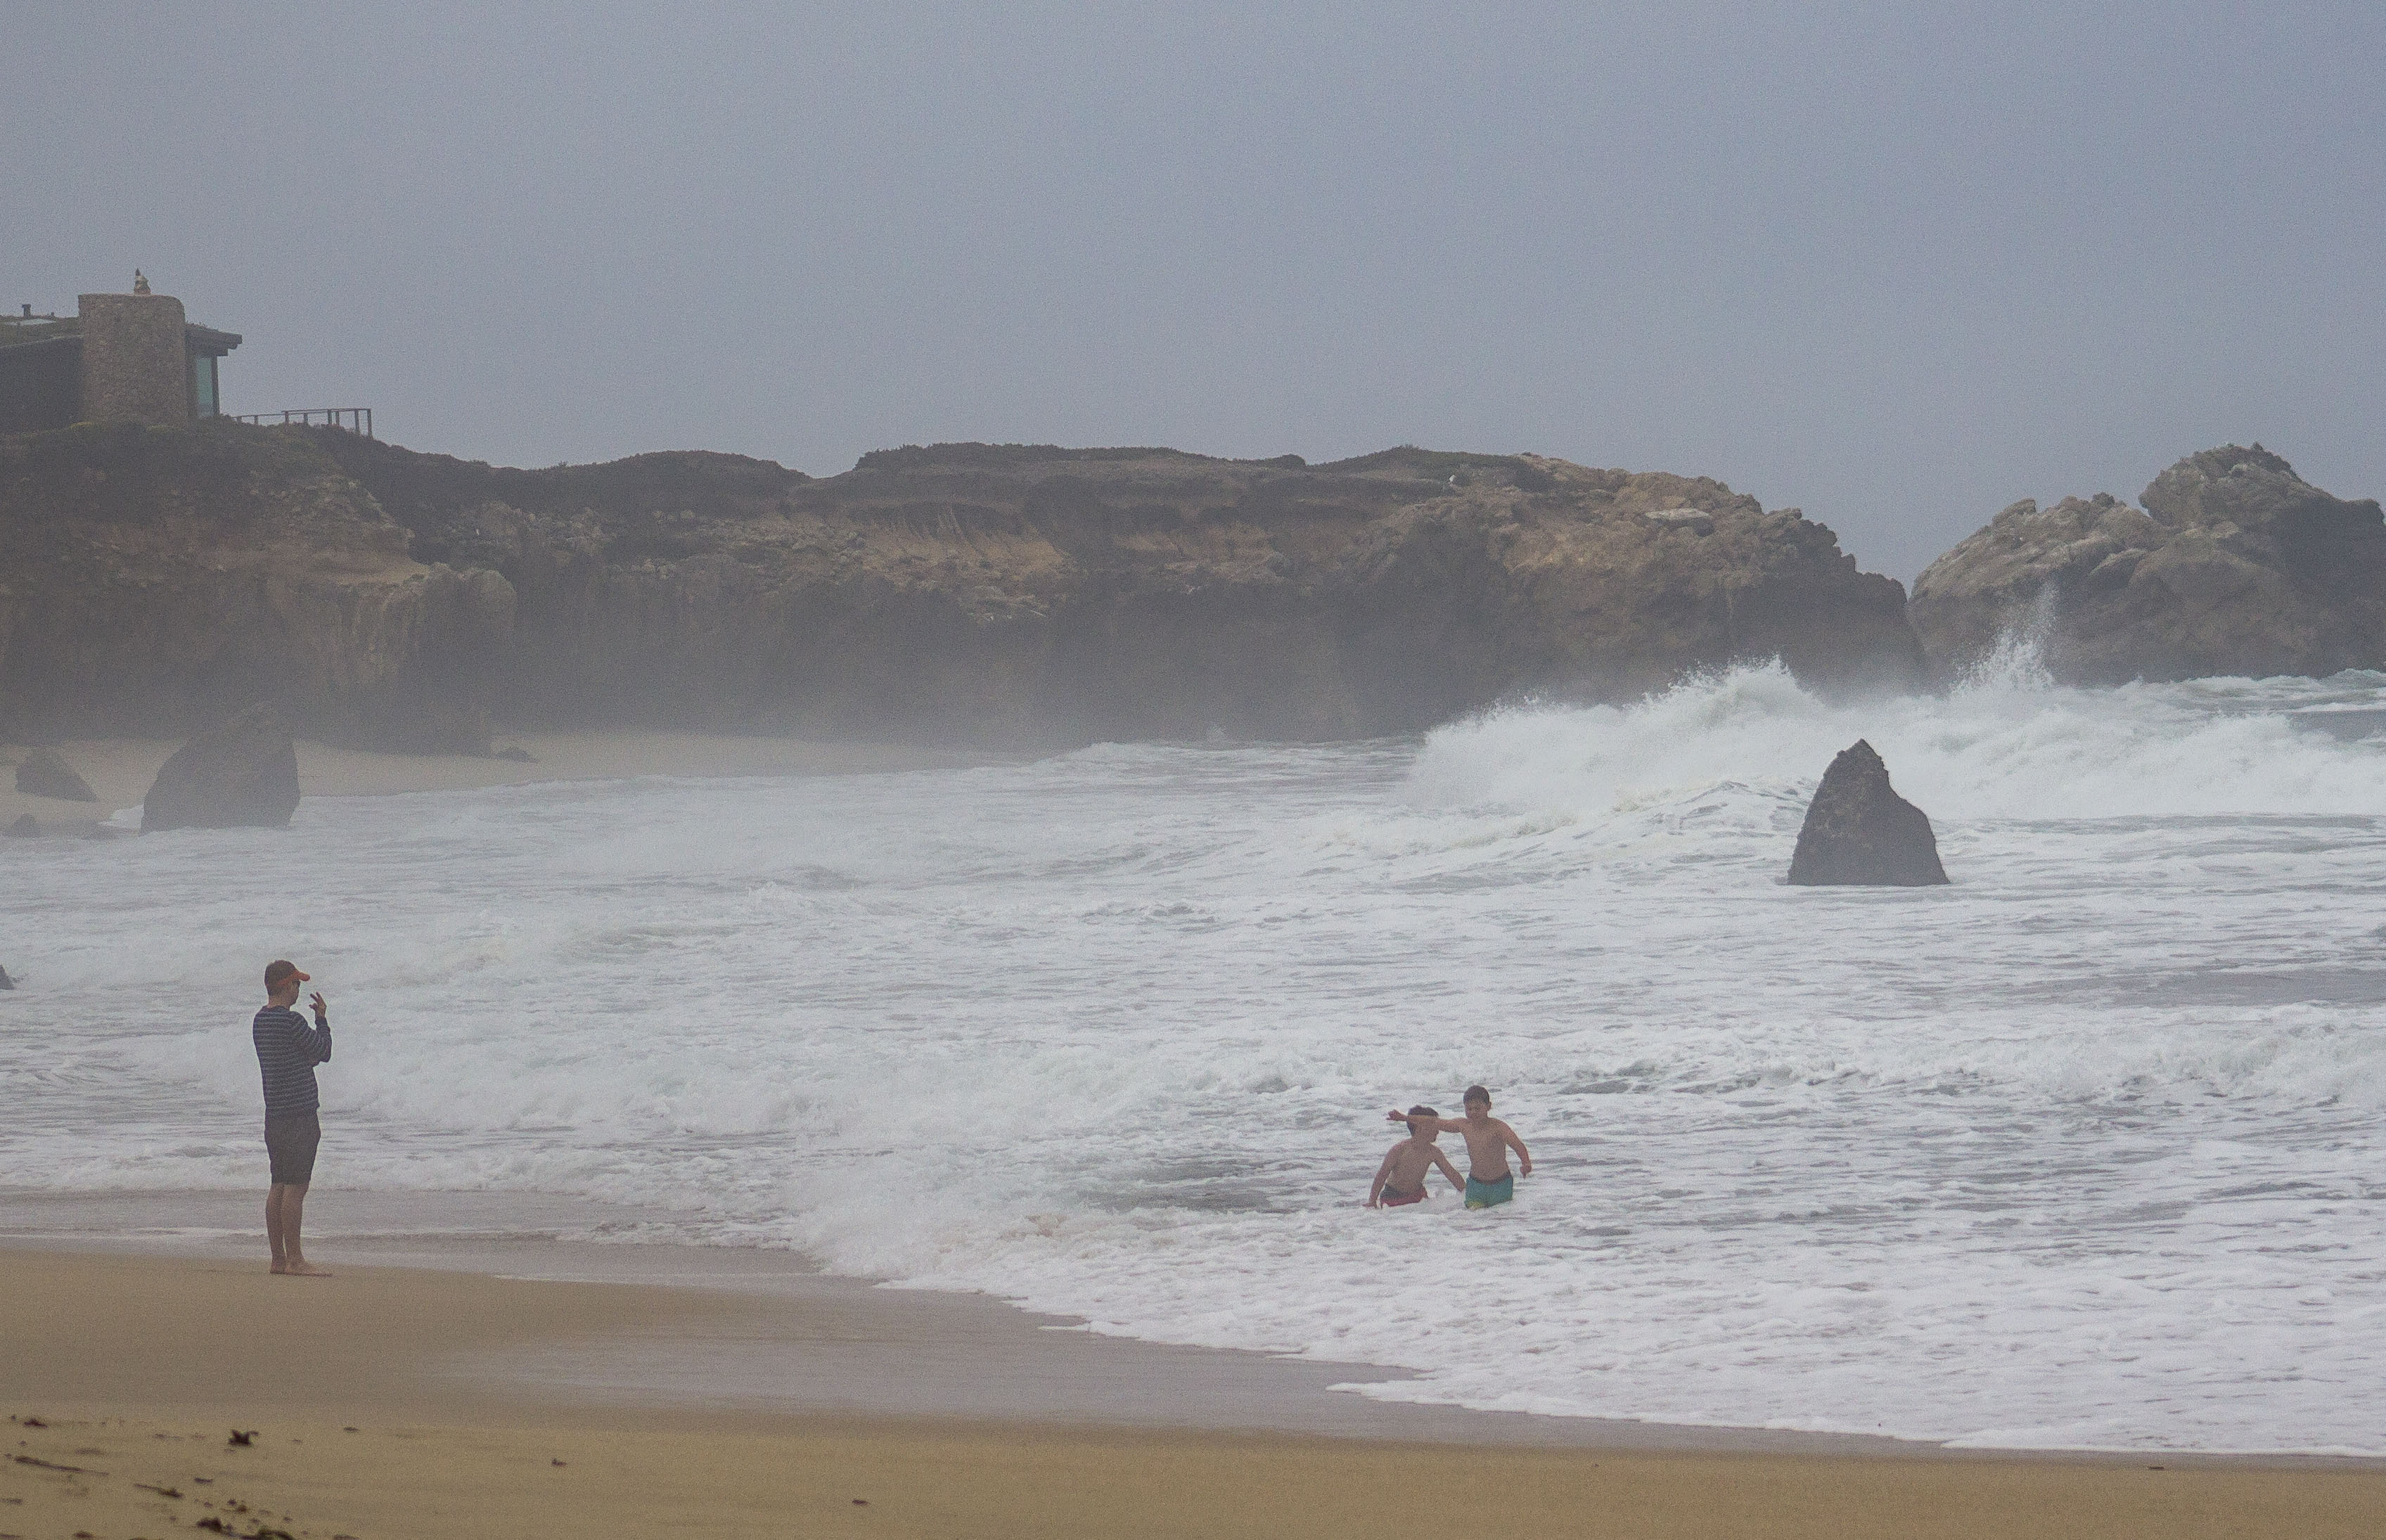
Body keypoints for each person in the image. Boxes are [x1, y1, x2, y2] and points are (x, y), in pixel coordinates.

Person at [254, 959, 333, 1276]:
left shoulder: (260, 1022)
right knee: (296, 1188)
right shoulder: (292, 1022)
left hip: (274, 1114)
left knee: (278, 1185)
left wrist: (306, 1057)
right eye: (297, 984)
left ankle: (278, 1259)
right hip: (299, 1113)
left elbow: (295, 1058)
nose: (299, 989)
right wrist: (323, 1020)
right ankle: (296, 1260)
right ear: (286, 986)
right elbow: (323, 1051)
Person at [1387, 1085, 1531, 1209]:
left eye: (1477, 1108)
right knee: (1475, 1221)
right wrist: (1405, 1118)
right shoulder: (1464, 1125)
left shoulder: (1498, 1128)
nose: (1473, 1112)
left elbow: (1517, 1145)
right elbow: (1434, 1122)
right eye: (1469, 1109)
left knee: (1499, 1221)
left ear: (1489, 1106)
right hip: (1476, 1184)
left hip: (1501, 1183)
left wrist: (1526, 1163)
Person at [1366, 1105, 1467, 1209]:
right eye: (1434, 1126)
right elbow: (1382, 1175)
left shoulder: (1434, 1152)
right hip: (1393, 1196)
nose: (1438, 1131)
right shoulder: (1400, 1150)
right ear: (1421, 1127)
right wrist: (1372, 1201)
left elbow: (1452, 1174)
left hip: (1417, 1195)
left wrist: (1467, 1193)